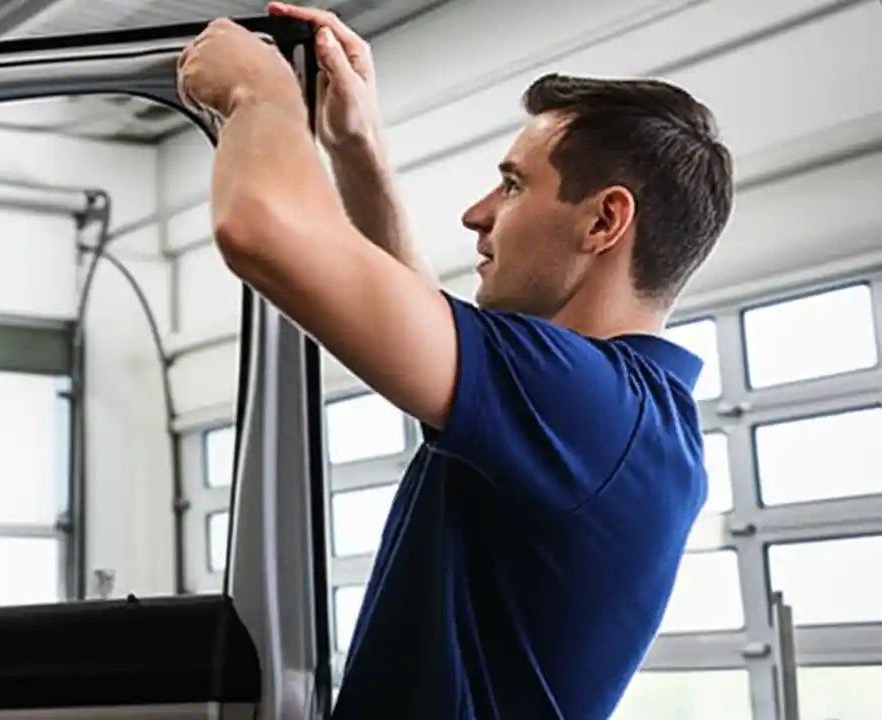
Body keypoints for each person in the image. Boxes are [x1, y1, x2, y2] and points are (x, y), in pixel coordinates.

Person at [178, 3, 734, 718]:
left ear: (604, 220)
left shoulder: (591, 405)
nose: (477, 213)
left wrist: (257, 93)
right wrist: (355, 144)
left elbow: (259, 230)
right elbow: (410, 314)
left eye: (513, 184)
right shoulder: (613, 414)